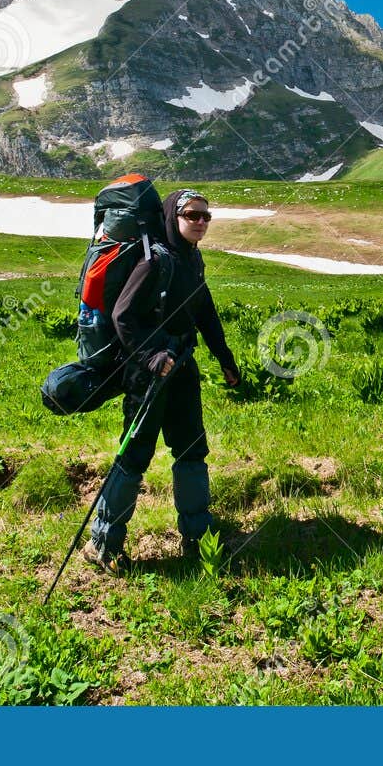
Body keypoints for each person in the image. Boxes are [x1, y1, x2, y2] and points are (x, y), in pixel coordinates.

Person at [83, 188, 240, 569]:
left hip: (182, 368)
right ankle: (103, 544)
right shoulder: (154, 263)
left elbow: (205, 313)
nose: (200, 222)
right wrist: (153, 358)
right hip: (148, 375)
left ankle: (198, 534)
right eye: (192, 215)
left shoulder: (192, 259)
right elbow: (123, 317)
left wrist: (226, 360)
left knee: (191, 450)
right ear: (174, 216)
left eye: (206, 216)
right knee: (134, 456)